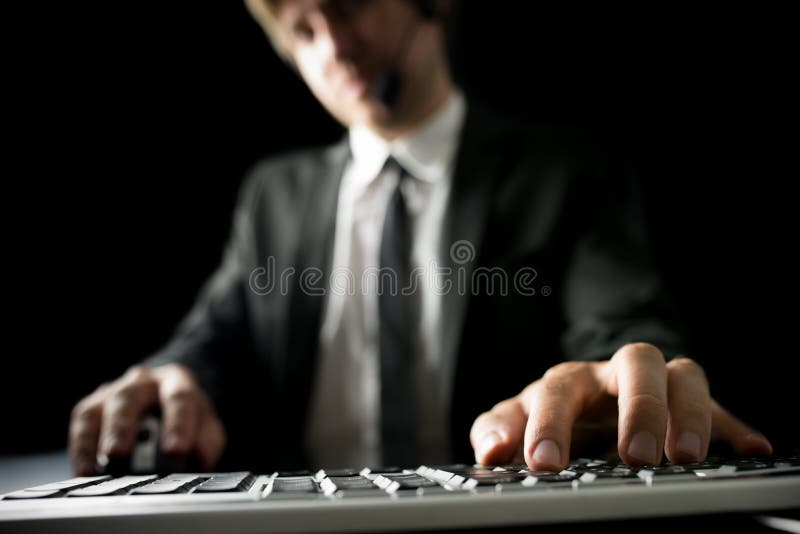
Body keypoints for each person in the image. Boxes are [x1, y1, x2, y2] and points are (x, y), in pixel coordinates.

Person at [68, 0, 772, 475]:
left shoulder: (563, 169)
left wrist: (615, 377)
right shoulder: (273, 197)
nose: (334, 50)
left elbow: (624, 322)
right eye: (303, 31)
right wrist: (177, 376)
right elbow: (214, 337)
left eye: (347, 5)